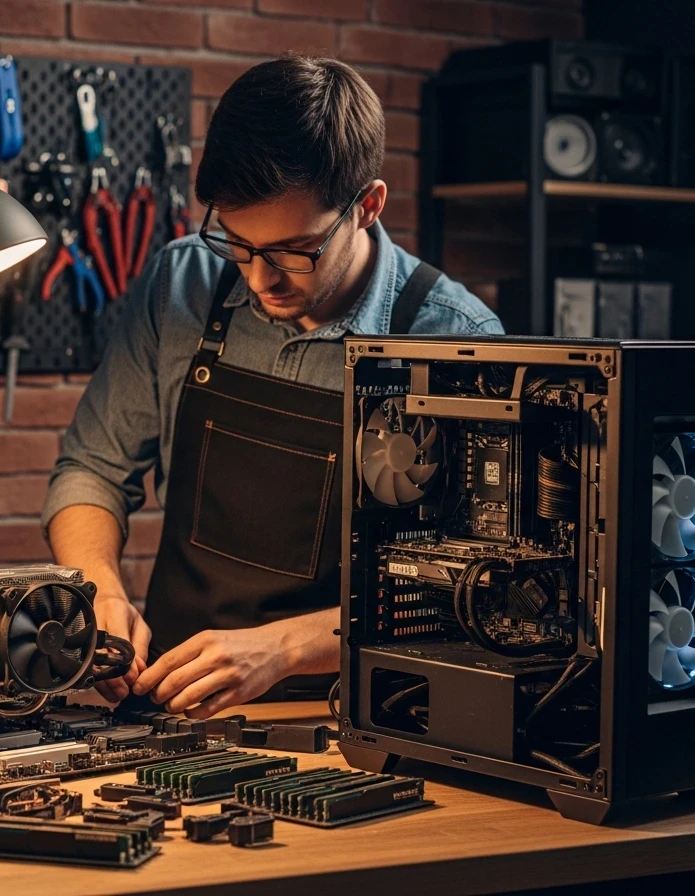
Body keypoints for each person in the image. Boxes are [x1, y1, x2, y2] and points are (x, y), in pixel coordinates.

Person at [41, 54, 503, 718]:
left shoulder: (456, 339)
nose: (260, 279)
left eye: (293, 250)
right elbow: (91, 470)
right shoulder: (183, 284)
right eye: (237, 241)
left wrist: (286, 649)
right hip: (178, 705)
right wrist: (100, 591)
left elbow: (472, 587)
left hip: (351, 716)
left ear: (367, 206)